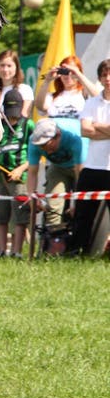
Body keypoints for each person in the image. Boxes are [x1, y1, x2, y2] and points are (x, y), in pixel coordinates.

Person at [71, 59, 110, 254]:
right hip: (92, 167)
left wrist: (96, 124)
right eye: (104, 75)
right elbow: (85, 130)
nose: (108, 78)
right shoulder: (91, 102)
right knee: (83, 214)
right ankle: (78, 252)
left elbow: (91, 127)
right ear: (100, 78)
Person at [0, 89, 35, 257]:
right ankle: (2, 251)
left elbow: (36, 153)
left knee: (20, 215)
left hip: (20, 177)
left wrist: (21, 169)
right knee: (0, 215)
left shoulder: (28, 125)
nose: (12, 116)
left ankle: (17, 251)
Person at [26, 118, 84, 231]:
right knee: (52, 206)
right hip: (58, 168)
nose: (44, 149)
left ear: (57, 136)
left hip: (81, 166)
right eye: (40, 146)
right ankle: (52, 236)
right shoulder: (33, 142)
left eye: (46, 144)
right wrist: (31, 197)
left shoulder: (74, 137)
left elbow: (80, 173)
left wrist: (77, 203)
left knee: (82, 208)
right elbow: (32, 172)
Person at [34, 54, 98, 137]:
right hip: (56, 139)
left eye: (72, 72)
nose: (68, 75)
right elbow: (40, 106)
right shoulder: (53, 96)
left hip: (78, 138)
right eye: (64, 72)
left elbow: (99, 97)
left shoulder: (85, 94)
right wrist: (47, 81)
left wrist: (79, 75)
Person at [0, 49, 34, 117]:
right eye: (2, 65)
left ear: (16, 67)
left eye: (9, 66)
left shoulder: (24, 89)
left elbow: (24, 116)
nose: (5, 69)